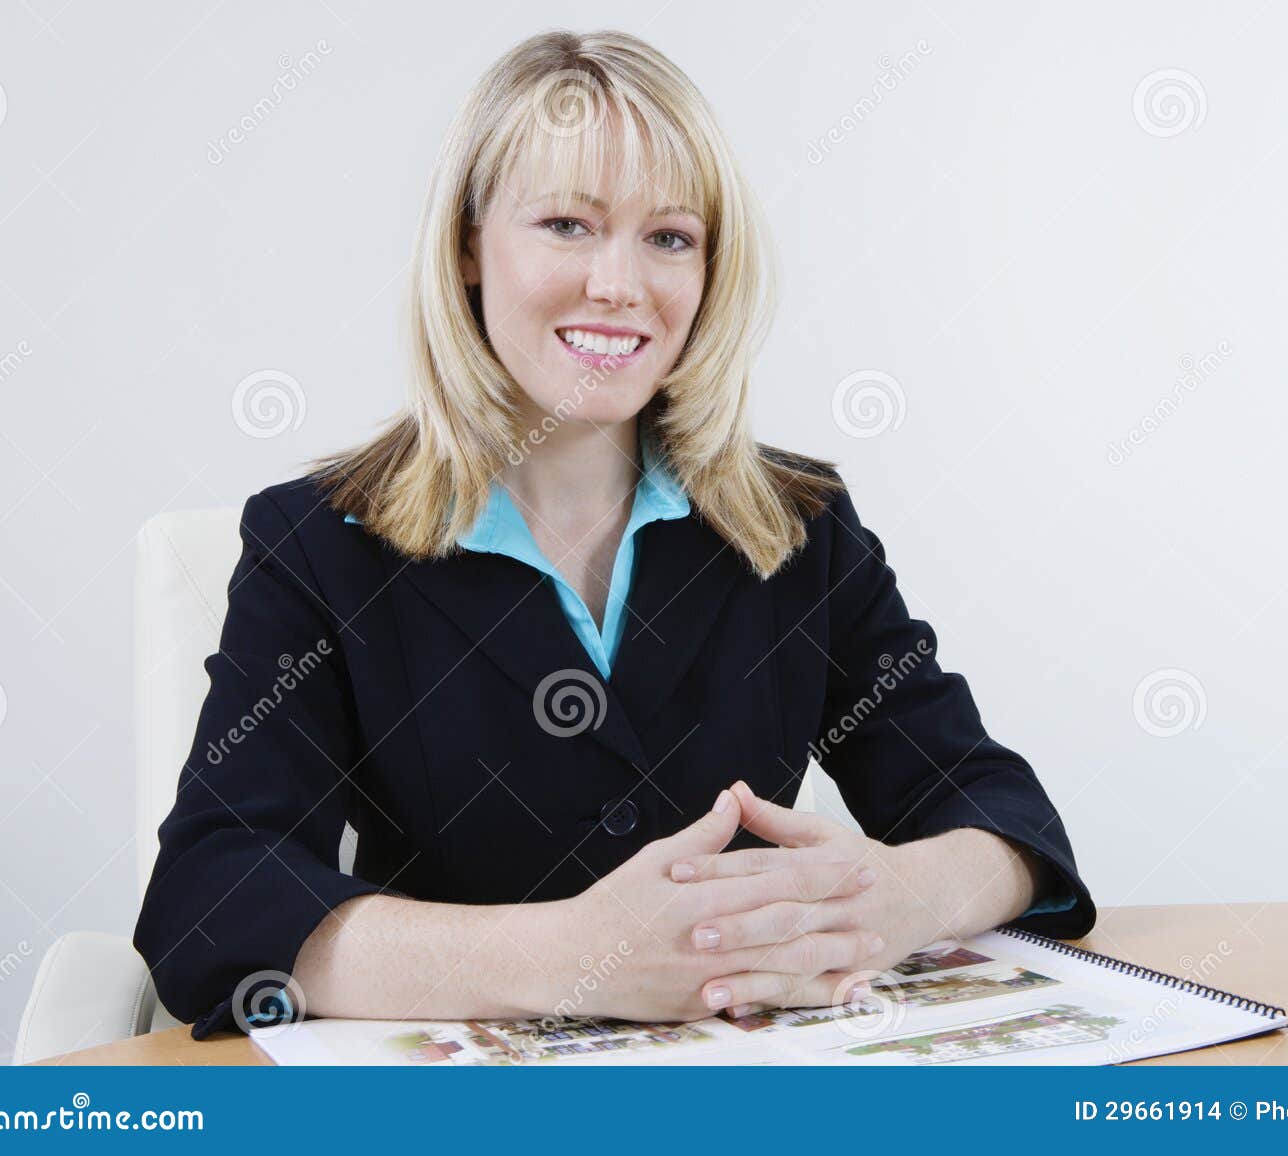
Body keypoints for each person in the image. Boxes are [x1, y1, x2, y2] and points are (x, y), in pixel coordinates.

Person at [133, 28, 1094, 1039]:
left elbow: (999, 813)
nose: (619, 285)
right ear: (468, 245)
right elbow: (212, 895)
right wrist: (568, 957)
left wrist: (895, 896)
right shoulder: (320, 542)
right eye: (566, 224)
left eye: (668, 237)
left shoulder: (798, 526)